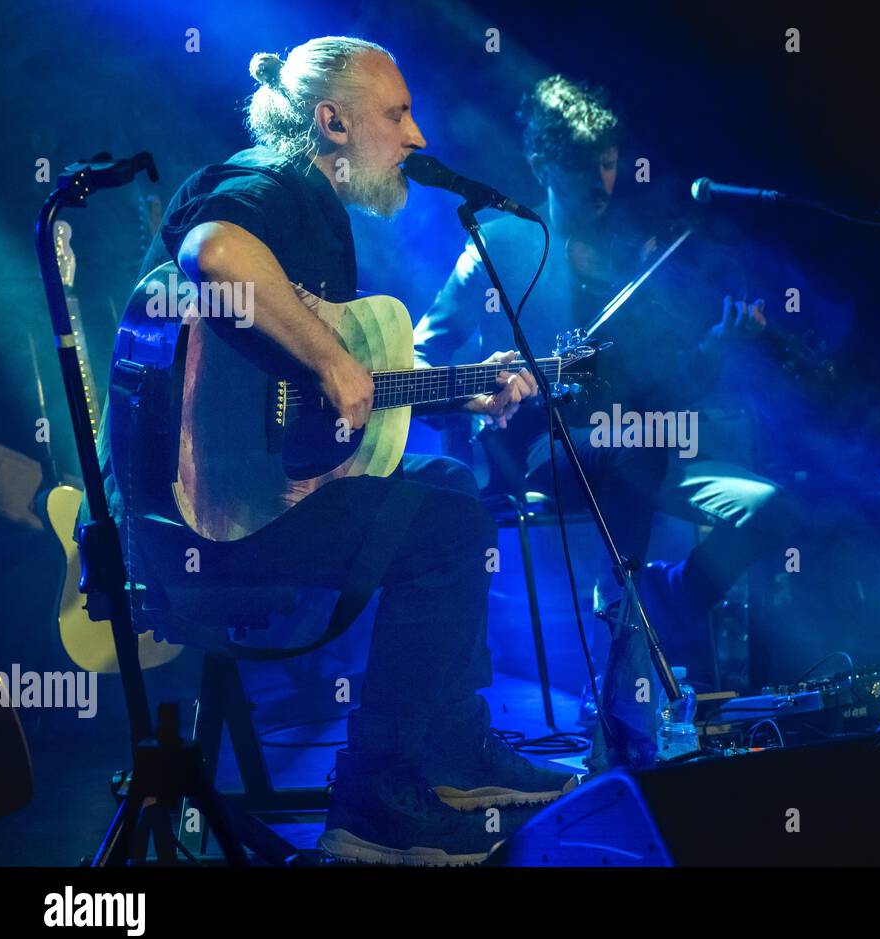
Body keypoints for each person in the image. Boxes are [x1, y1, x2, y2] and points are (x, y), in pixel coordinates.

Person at [108, 37, 576, 865]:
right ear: (331, 121)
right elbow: (211, 255)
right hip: (191, 524)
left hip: (225, 497)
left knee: (448, 488)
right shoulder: (271, 185)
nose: (417, 137)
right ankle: (375, 804)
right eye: (396, 115)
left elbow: (299, 402)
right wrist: (329, 360)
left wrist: (451, 390)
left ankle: (454, 751)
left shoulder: (312, 208)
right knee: (445, 528)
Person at [414, 75, 802, 695]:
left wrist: (714, 349)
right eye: (580, 166)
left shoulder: (632, 260)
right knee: (632, 448)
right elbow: (421, 354)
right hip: (542, 452)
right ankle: (628, 641)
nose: (600, 183)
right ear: (541, 162)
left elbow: (668, 383)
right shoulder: (499, 244)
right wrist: (474, 413)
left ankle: (661, 596)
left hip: (637, 448)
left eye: (609, 164)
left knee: (771, 508)